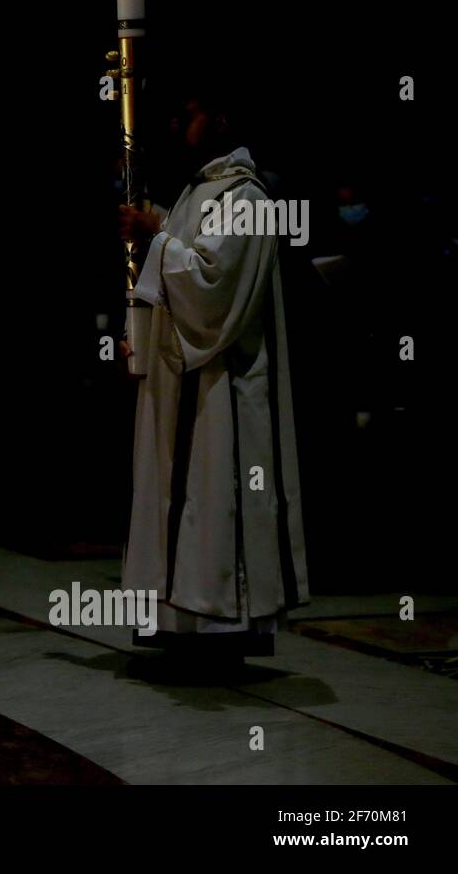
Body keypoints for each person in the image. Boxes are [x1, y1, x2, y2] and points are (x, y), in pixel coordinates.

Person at [117, 93, 308, 663]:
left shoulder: (248, 199)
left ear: (223, 119)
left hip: (224, 382)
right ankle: (178, 626)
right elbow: (172, 284)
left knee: (215, 497)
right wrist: (141, 337)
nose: (179, 123)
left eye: (191, 112)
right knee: (179, 496)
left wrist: (156, 235)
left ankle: (221, 630)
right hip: (181, 379)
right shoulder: (194, 192)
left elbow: (213, 286)